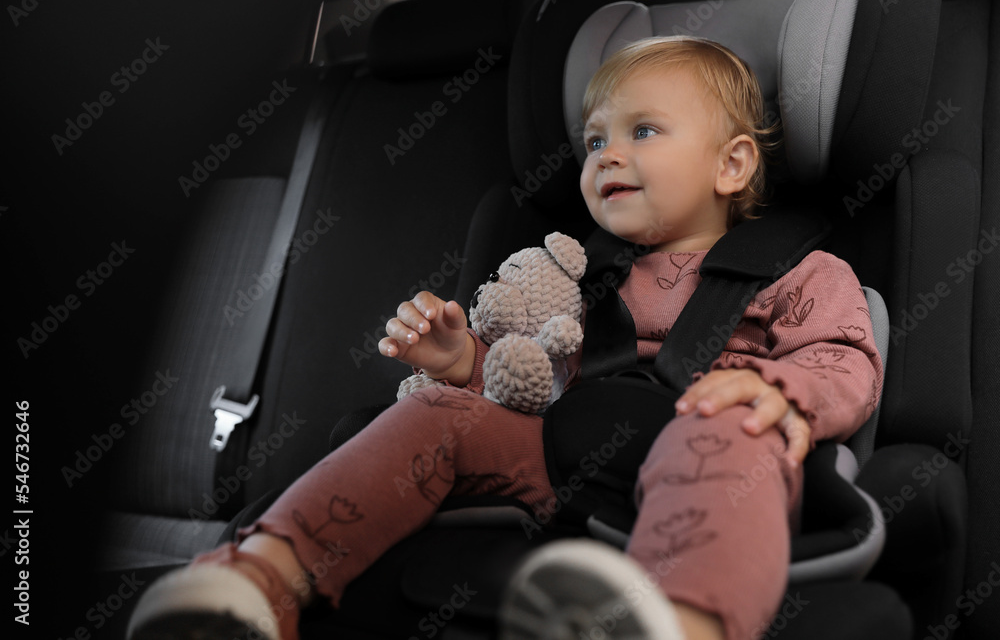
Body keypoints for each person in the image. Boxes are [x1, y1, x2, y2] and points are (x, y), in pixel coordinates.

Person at [127, 36, 882, 640]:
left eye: (641, 131)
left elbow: (844, 357)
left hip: (720, 453)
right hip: (563, 456)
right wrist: (464, 362)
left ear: (732, 162)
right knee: (434, 417)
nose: (606, 155)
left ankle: (676, 621)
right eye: (593, 142)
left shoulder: (800, 270)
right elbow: (544, 382)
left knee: (728, 429)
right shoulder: (587, 280)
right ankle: (258, 580)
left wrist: (778, 390)